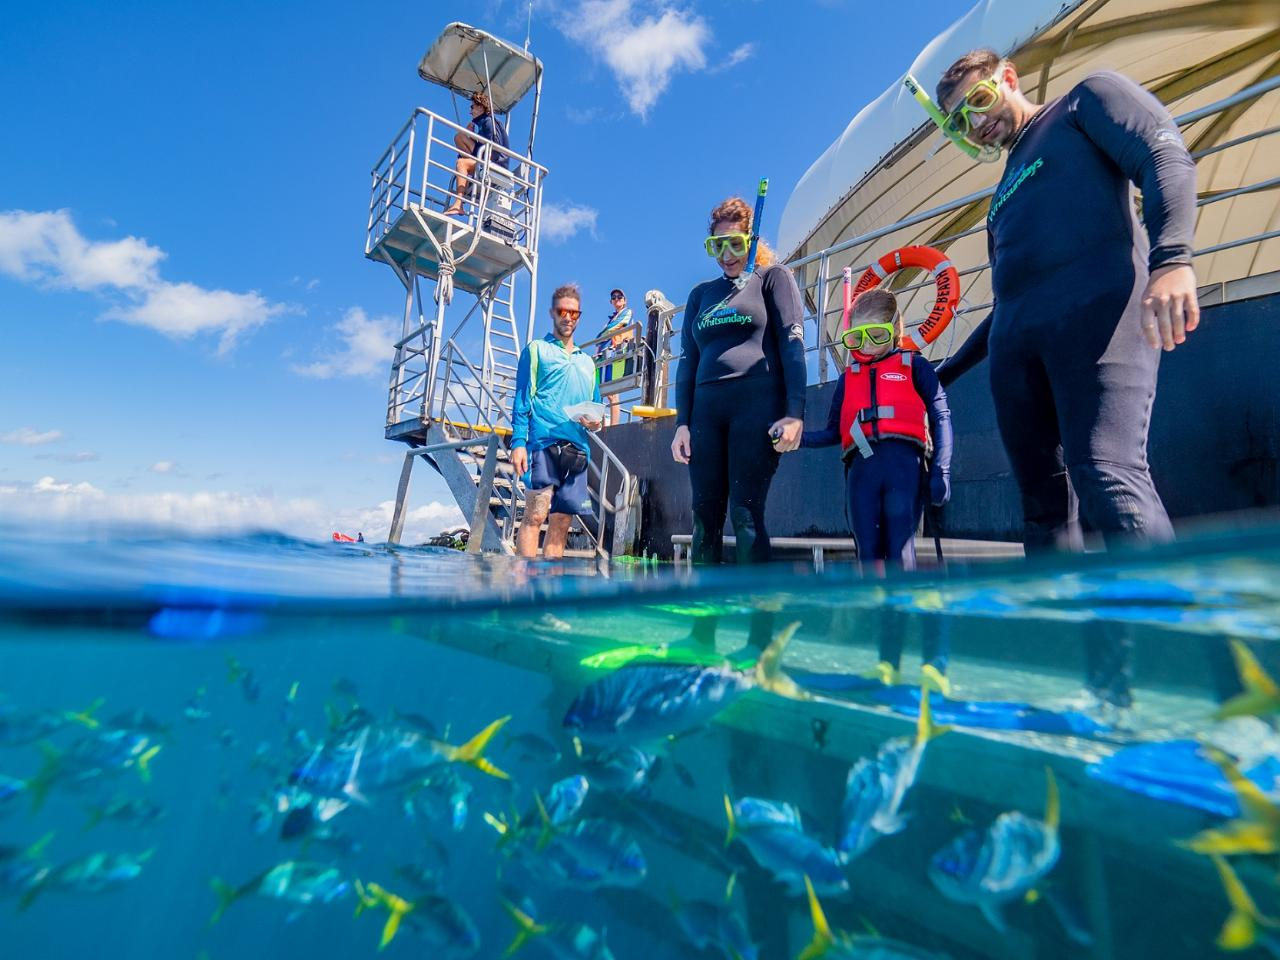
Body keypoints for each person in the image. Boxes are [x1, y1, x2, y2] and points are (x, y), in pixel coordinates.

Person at [933, 52, 1199, 552]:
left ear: (1008, 78)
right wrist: (945, 372)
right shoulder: (1000, 200)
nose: (976, 123)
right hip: (1017, 353)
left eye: (980, 101)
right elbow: (1007, 301)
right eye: (960, 122)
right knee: (1042, 510)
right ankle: (1073, 632)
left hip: (1096, 316)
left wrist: (1173, 258)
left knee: (1107, 475)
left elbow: (1162, 156)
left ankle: (1177, 628)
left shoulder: (1084, 100)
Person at [802, 288, 954, 691]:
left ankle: (933, 663)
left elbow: (940, 414)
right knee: (871, 566)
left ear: (896, 331)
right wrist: (794, 437)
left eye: (877, 336)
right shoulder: (847, 378)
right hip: (860, 474)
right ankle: (887, 663)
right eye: (856, 339)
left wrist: (942, 469)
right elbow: (833, 431)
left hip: (904, 467)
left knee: (902, 560)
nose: (866, 348)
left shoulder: (913, 365)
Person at [670, 196, 807, 565]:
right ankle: (703, 619)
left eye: (735, 243)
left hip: (755, 409)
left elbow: (793, 346)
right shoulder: (701, 295)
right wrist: (682, 423)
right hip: (704, 417)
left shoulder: (773, 278)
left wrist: (795, 412)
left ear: (752, 241)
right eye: (717, 245)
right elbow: (687, 364)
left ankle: (759, 618)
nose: (727, 254)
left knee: (745, 516)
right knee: (703, 519)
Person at [509, 283, 603, 559]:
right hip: (543, 444)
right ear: (553, 312)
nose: (568, 317)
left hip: (578, 450)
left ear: (579, 316)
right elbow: (522, 399)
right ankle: (524, 589)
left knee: (562, 522)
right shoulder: (536, 350)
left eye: (574, 313)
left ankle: (550, 593)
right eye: (562, 311)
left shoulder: (588, 363)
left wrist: (595, 422)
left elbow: (596, 407)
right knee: (536, 515)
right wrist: (518, 443)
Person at [443, 90, 510, 216]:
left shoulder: (489, 122)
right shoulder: (481, 123)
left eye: (472, 107)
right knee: (460, 137)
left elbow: (493, 147)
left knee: (461, 163)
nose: (470, 111)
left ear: (480, 107)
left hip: (495, 163)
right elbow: (482, 146)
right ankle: (466, 173)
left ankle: (459, 204)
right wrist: (471, 135)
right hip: (484, 158)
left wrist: (475, 163)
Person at [595, 289, 634, 425]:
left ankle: (614, 426)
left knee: (613, 392)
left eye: (619, 296)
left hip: (616, 353)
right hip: (604, 355)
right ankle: (598, 423)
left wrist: (600, 336)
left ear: (624, 300)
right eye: (614, 297)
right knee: (600, 391)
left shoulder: (626, 313)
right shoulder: (610, 319)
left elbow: (615, 327)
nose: (617, 298)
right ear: (611, 301)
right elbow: (604, 336)